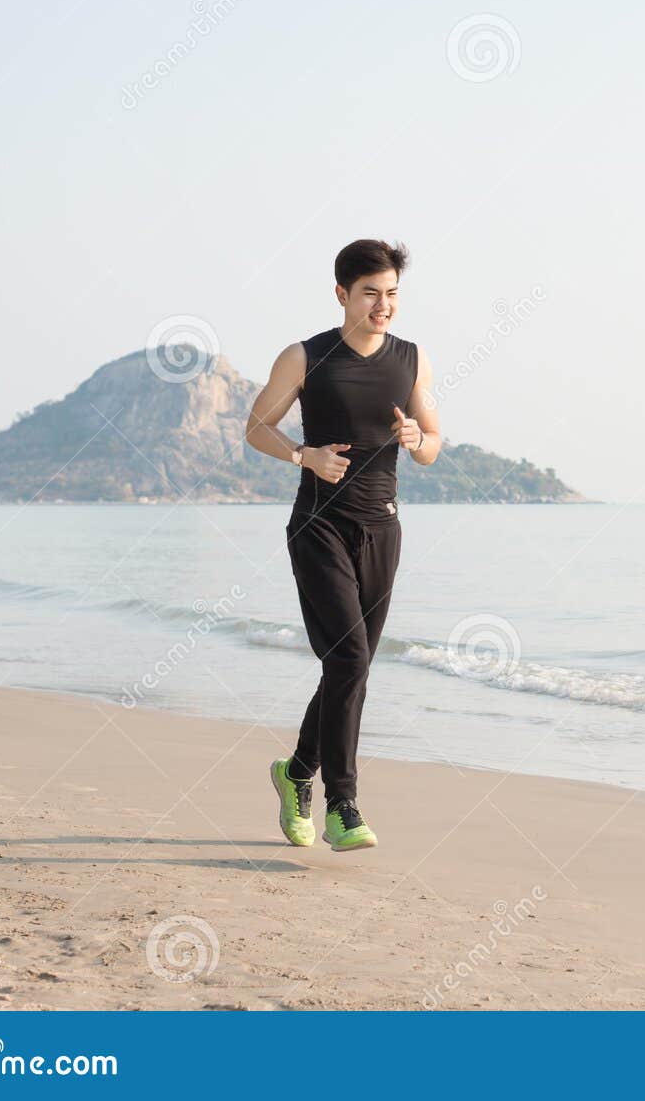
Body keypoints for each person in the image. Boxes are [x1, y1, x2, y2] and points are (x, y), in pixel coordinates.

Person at [244, 239, 441, 850]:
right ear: (341, 294)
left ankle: (297, 772)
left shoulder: (411, 359)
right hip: (319, 525)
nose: (383, 306)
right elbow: (256, 427)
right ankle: (344, 806)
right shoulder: (306, 357)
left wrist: (415, 437)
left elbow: (434, 441)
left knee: (347, 666)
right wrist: (305, 455)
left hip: (383, 528)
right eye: (370, 294)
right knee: (350, 660)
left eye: (392, 295)